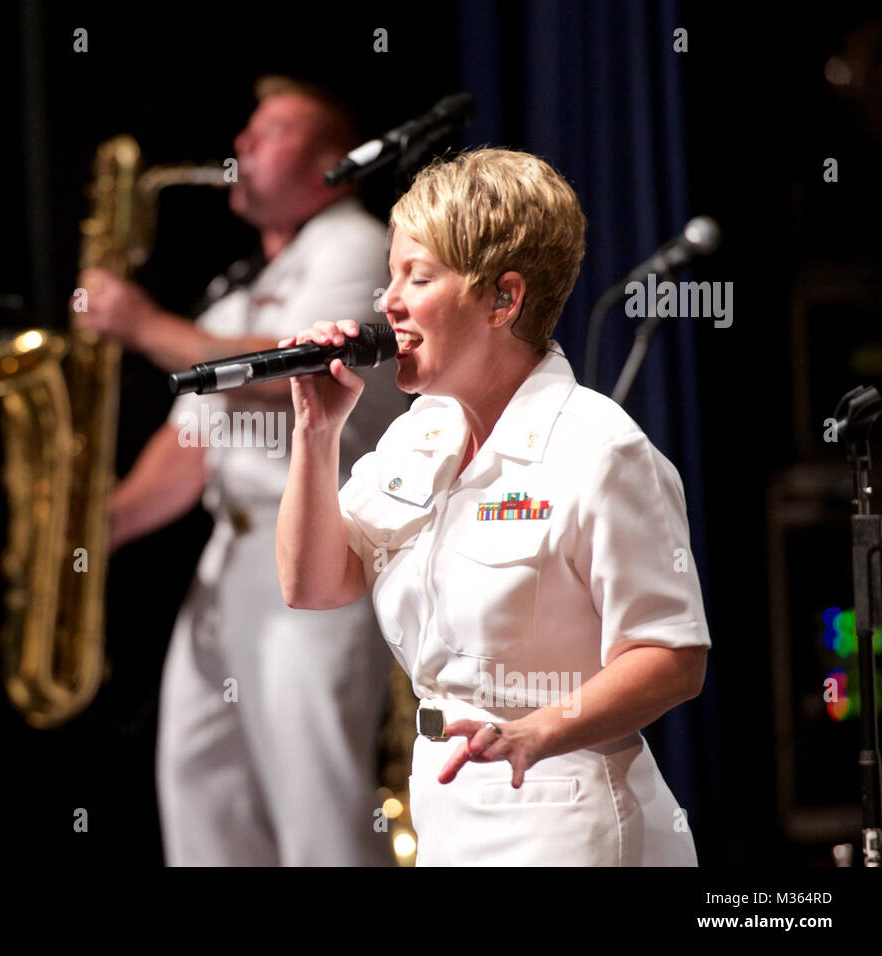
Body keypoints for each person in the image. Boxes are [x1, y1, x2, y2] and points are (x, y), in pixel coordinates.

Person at [275, 147, 711, 866]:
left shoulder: (599, 449)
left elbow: (671, 658)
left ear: (503, 300)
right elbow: (314, 585)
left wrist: (539, 730)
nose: (387, 302)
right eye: (391, 274)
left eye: (418, 277)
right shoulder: (420, 434)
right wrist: (315, 433)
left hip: (563, 815)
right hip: (447, 810)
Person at [74, 76, 409, 865]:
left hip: (318, 554)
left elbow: (291, 368)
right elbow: (194, 442)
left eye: (274, 132)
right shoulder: (239, 289)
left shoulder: (355, 243)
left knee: (318, 808)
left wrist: (143, 325)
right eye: (248, 131)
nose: (244, 145)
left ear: (333, 165)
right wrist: (95, 529)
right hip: (229, 557)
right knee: (202, 797)